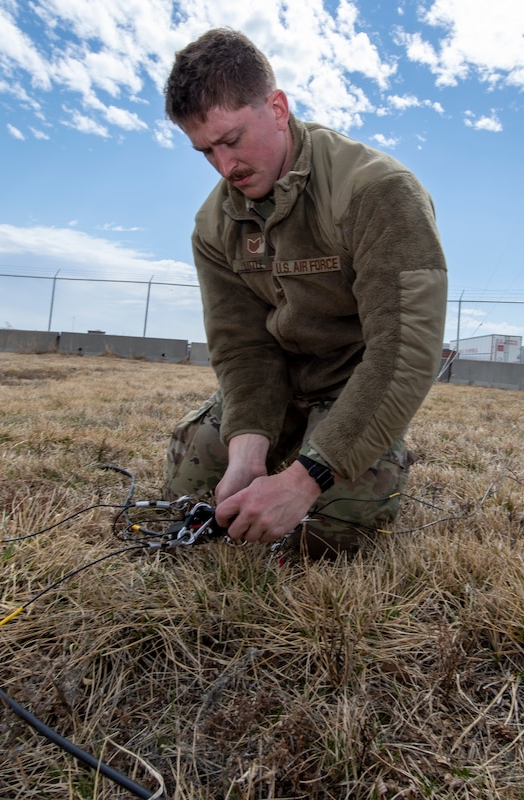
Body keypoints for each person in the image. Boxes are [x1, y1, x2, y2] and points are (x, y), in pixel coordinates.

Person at [161, 28, 448, 558]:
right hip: (280, 383)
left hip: (354, 385)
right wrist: (247, 450)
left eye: (231, 140)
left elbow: (404, 352)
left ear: (276, 107)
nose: (226, 167)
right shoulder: (212, 223)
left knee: (333, 535)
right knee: (195, 477)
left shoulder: (379, 192)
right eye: (205, 152)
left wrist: (305, 478)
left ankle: (331, 465)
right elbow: (242, 346)